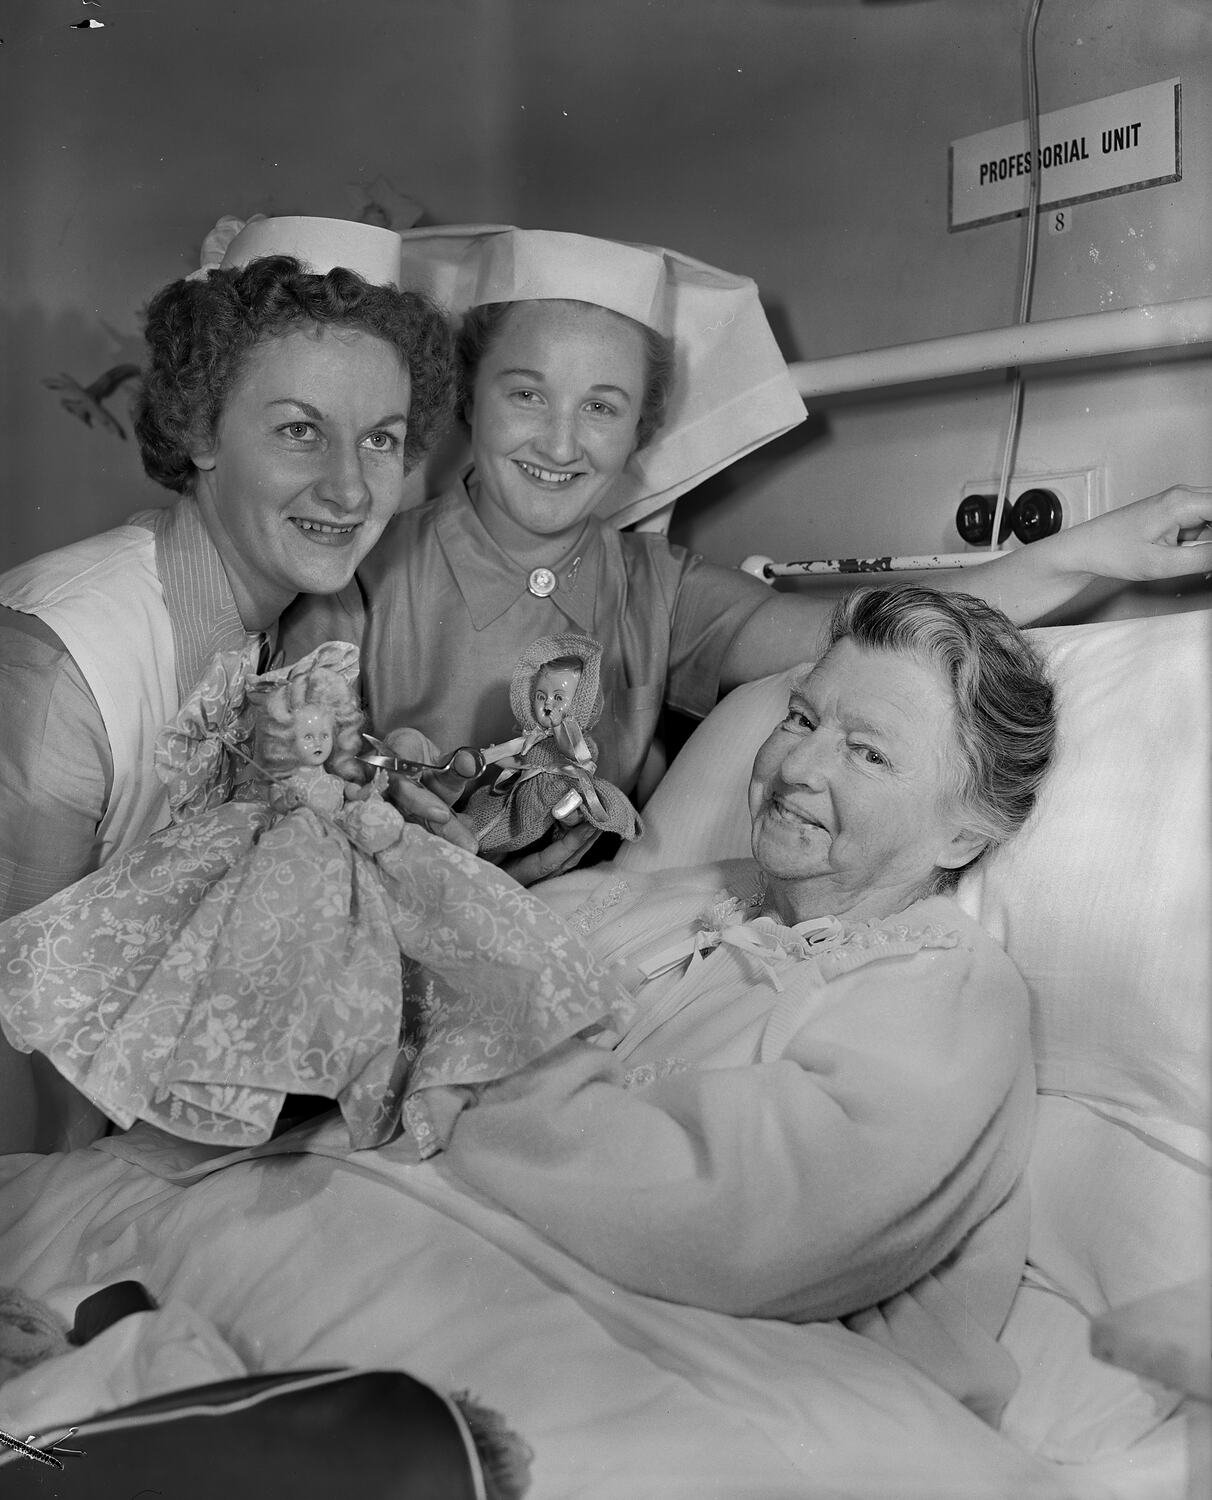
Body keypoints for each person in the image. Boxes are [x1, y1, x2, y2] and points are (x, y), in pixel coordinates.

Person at [278, 222, 1212, 883]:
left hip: (572, 926)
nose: (561, 443)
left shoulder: (660, 588)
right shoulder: (359, 569)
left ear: (639, 428)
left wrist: (1099, 547)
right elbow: (292, 789)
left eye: (602, 407)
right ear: (470, 401)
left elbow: (870, 633)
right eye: (527, 395)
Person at [418, 584, 1059, 1424]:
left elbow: (735, 1220)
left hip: (670, 1403)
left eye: (867, 753)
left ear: (964, 833)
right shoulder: (673, 898)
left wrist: (471, 1064)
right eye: (800, 719)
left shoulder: (948, 995)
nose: (796, 767)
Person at [0, 215, 466, 1152]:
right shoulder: (61, 672)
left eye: (379, 440)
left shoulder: (297, 633)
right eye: (300, 431)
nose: (348, 489)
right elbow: (13, 1020)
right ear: (201, 428)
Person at [0, 641, 627, 1150]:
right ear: (281, 742)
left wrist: (378, 815)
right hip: (288, 882)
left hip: (345, 871)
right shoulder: (280, 799)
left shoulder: (348, 778)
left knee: (403, 940)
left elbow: (369, 800)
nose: (318, 745)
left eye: (325, 734)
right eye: (305, 737)